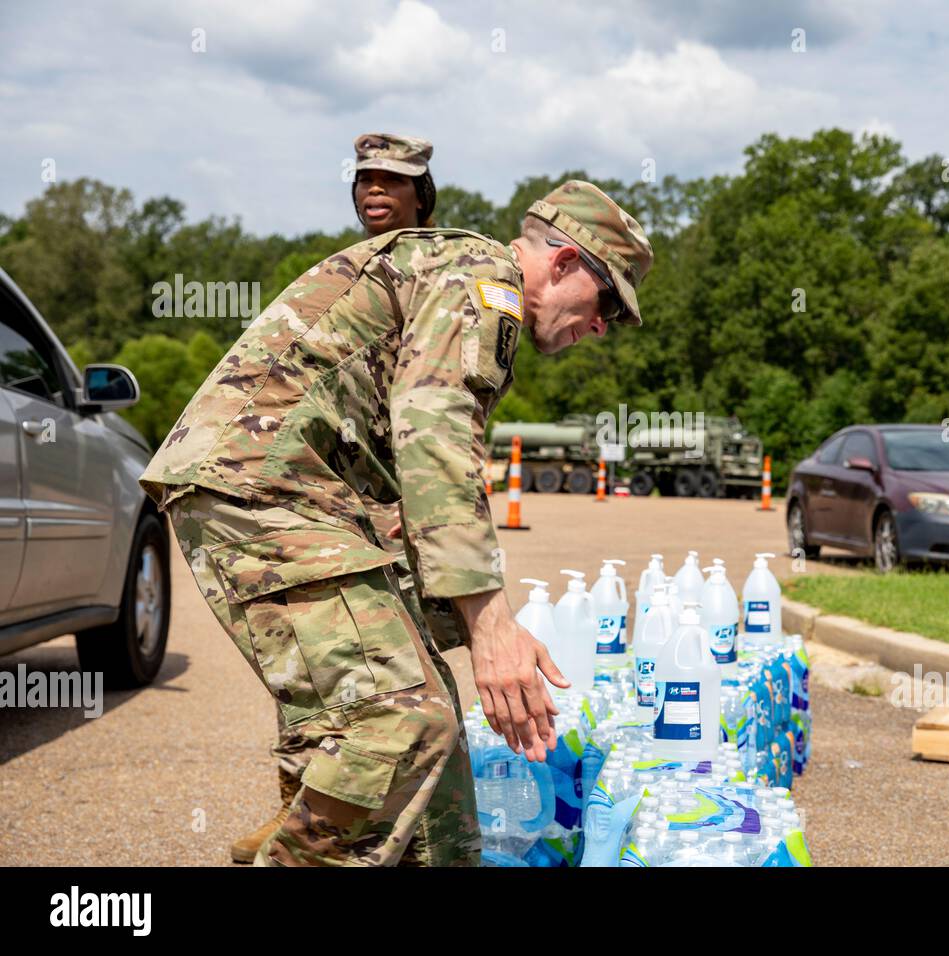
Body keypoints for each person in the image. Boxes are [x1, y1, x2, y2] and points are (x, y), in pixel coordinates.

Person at [141, 180, 653, 865]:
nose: (601, 326)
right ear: (562, 264)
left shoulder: (457, 280)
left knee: (421, 717)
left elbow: (399, 479)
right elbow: (433, 442)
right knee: (403, 721)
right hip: (260, 487)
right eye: (607, 303)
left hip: (299, 494)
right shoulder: (485, 283)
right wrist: (489, 623)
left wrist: (469, 626)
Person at [227, 132, 439, 863]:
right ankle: (296, 811)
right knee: (308, 666)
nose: (375, 190)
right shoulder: (347, 269)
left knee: (395, 680)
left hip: (382, 487)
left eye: (393, 180)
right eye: (365, 180)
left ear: (422, 194)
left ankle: (388, 824)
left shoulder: (433, 269)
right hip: (323, 483)